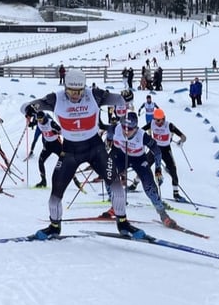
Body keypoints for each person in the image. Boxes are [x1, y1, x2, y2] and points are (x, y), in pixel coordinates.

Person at [21, 69, 141, 239]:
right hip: (70, 151)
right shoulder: (56, 98)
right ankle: (54, 226)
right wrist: (31, 110)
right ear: (65, 88)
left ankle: (123, 223)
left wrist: (126, 96)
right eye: (71, 91)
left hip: (95, 149)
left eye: (79, 91)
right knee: (56, 192)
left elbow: (119, 98)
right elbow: (25, 107)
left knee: (115, 183)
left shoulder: (94, 95)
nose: (76, 95)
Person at [106, 112, 176, 227]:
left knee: (149, 187)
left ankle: (163, 214)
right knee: (108, 176)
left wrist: (158, 169)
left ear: (136, 127)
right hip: (122, 156)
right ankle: (116, 206)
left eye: (130, 129)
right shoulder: (116, 128)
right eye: (124, 127)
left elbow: (157, 151)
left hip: (139, 159)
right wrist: (108, 144)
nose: (126, 131)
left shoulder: (142, 135)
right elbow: (109, 135)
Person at [142, 109, 187, 200]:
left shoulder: (169, 125)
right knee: (144, 166)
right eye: (155, 119)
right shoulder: (152, 123)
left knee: (173, 170)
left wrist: (181, 141)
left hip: (166, 150)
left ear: (163, 118)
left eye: (159, 120)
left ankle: (176, 194)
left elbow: (183, 136)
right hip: (155, 148)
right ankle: (135, 184)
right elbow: (140, 131)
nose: (157, 122)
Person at [31, 111, 61, 189]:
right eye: (38, 120)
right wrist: (30, 124)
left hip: (56, 145)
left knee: (65, 162)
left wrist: (56, 132)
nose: (39, 121)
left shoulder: (51, 123)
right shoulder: (38, 122)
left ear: (44, 118)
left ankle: (75, 181)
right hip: (48, 145)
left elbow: (61, 130)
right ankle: (43, 181)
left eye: (41, 119)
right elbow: (31, 114)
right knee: (40, 161)